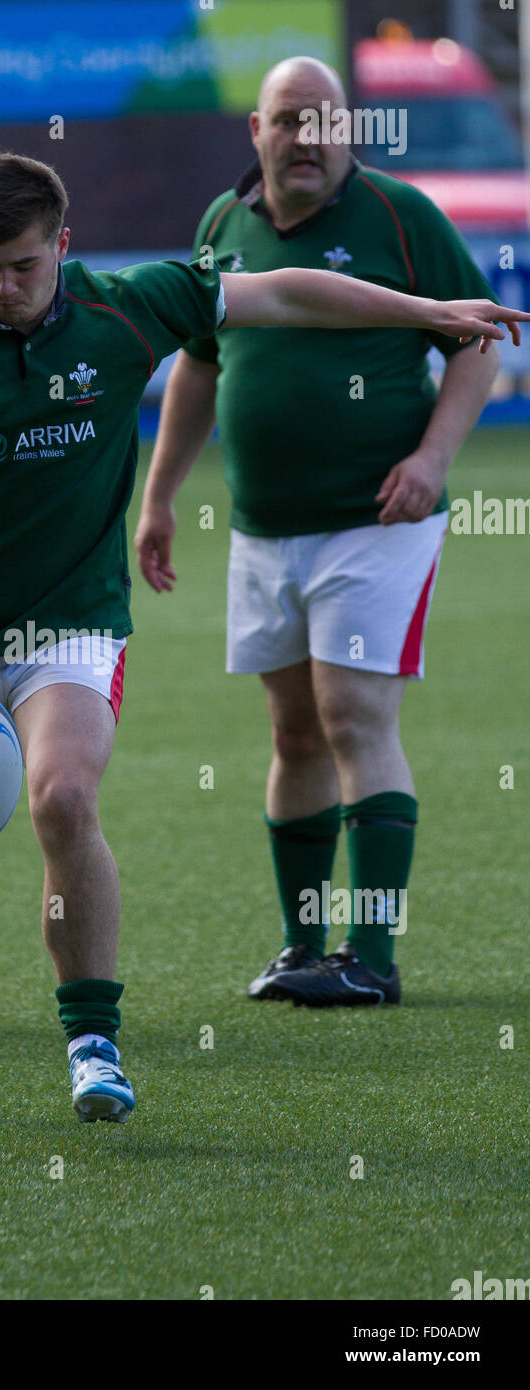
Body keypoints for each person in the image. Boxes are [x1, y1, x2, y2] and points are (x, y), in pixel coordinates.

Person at [0, 151, 524, 1117]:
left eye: (26, 265)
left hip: (72, 622)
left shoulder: (128, 308)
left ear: (63, 245)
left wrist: (428, 314)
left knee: (64, 796)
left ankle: (93, 1040)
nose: (8, 288)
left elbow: (287, 296)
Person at [135, 57, 503, 1007]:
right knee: (293, 730)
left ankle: (372, 955)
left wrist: (431, 461)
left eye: (325, 119)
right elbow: (199, 367)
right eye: (289, 120)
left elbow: (474, 344)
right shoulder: (223, 226)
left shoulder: (400, 217)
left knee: (350, 715)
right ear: (254, 130)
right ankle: (303, 947)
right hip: (264, 530)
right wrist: (160, 495)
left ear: (352, 128)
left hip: (375, 521)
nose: (308, 138)